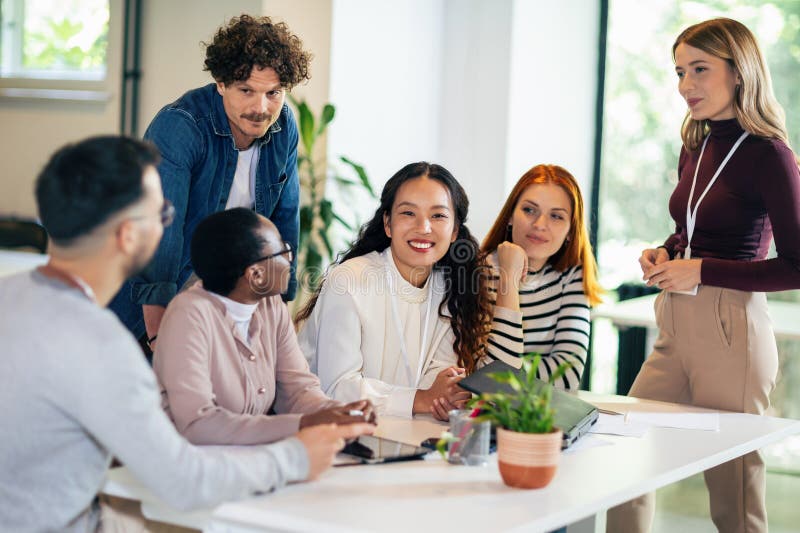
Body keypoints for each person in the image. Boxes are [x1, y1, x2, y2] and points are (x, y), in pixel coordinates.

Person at [0, 136, 372, 532]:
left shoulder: (10, 294)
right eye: (161, 213)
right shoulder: (101, 344)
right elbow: (182, 480)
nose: (167, 224)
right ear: (128, 235)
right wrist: (296, 457)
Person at [607, 18, 800, 533]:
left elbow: (797, 265)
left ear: (739, 71)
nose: (685, 85)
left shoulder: (770, 155)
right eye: (679, 72)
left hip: (731, 330)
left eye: (699, 69)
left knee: (732, 497)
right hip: (675, 325)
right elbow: (689, 231)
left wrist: (700, 269)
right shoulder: (696, 143)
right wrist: (666, 251)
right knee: (625, 456)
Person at [109, 14, 310, 354]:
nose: (261, 107)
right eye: (246, 90)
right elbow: (159, 230)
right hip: (152, 294)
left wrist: (279, 311)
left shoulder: (283, 125)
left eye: (273, 93)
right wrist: (158, 336)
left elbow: (284, 218)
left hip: (226, 288)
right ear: (221, 83)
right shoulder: (181, 126)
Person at [153, 208, 375, 445]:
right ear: (256, 275)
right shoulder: (188, 314)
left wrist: (339, 413)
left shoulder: (271, 304)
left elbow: (297, 391)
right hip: (185, 458)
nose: (290, 258)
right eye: (283, 250)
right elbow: (198, 425)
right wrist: (303, 423)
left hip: (251, 456)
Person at [295, 162, 492, 421]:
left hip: (400, 431)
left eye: (438, 216)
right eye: (408, 213)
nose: (424, 227)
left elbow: (438, 376)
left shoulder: (449, 287)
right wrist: (422, 398)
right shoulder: (350, 280)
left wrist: (445, 398)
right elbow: (337, 388)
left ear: (455, 230)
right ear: (388, 223)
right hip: (328, 428)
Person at [480, 164, 603, 389]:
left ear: (570, 231)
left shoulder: (571, 276)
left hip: (541, 410)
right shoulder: (475, 273)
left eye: (556, 216)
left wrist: (509, 375)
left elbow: (568, 375)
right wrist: (509, 278)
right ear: (510, 216)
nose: (539, 225)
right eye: (529, 210)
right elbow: (482, 376)